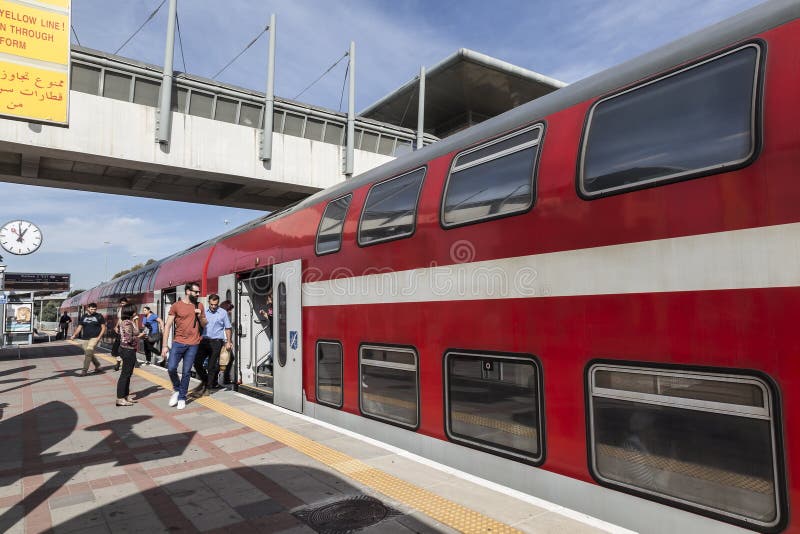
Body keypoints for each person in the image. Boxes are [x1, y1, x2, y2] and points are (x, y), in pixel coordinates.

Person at [161, 282, 207, 410]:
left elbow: (204, 324)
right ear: (187, 291)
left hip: (193, 344)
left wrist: (199, 315)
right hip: (178, 342)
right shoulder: (176, 306)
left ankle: (182, 397)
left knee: (186, 371)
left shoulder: (200, 305)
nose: (198, 294)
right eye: (195, 292)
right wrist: (164, 345)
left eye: (198, 292)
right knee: (171, 368)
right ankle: (176, 388)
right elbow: (168, 325)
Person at [190, 294, 232, 397]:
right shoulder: (203, 312)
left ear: (218, 303)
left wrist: (228, 341)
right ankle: (205, 381)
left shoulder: (223, 313)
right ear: (209, 302)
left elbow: (227, 328)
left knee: (211, 366)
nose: (213, 307)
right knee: (197, 363)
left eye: (216, 305)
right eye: (212, 304)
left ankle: (208, 388)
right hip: (204, 341)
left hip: (216, 342)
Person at [70, 303, 106, 375]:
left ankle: (84, 370)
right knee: (88, 353)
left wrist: (99, 337)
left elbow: (103, 328)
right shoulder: (83, 317)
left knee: (88, 353)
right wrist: (74, 335)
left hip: (95, 338)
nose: (93, 310)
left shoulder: (99, 316)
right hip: (85, 338)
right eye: (92, 309)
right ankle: (98, 366)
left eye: (95, 309)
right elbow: (80, 327)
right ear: (88, 308)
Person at [115, 305, 140, 406]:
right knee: (125, 375)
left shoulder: (128, 322)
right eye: (134, 310)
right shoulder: (127, 323)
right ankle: (120, 398)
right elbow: (129, 339)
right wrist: (139, 336)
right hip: (127, 350)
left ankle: (125, 396)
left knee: (128, 374)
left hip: (127, 350)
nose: (136, 311)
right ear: (130, 311)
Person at [219, 300, 235, 386]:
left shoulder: (222, 315)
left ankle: (225, 378)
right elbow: (225, 329)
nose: (230, 311)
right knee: (227, 359)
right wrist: (227, 342)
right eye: (229, 309)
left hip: (224, 340)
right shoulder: (224, 316)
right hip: (224, 341)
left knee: (227, 359)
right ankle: (225, 378)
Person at [111, 297, 129, 371]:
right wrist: (116, 326)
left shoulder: (129, 310)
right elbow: (119, 319)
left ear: (127, 303)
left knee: (125, 348)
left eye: (124, 303)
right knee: (115, 349)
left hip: (126, 331)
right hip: (120, 331)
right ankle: (118, 362)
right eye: (121, 303)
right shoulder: (120, 309)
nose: (122, 304)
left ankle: (119, 364)